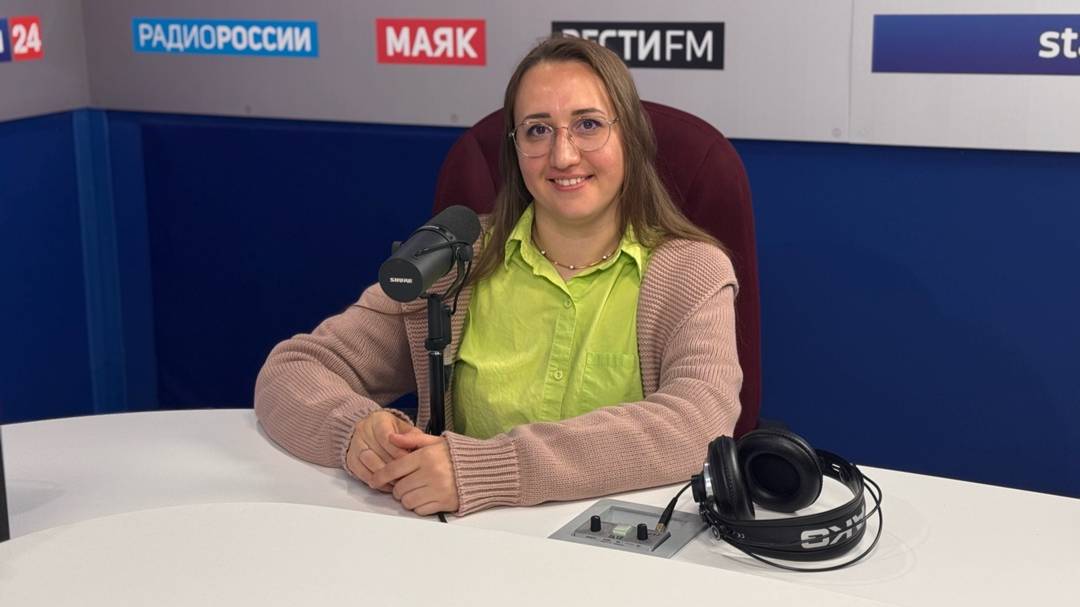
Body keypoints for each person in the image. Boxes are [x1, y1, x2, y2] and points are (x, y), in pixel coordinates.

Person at [254, 35, 742, 517]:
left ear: (630, 137)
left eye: (588, 125)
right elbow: (294, 370)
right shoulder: (454, 263)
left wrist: (490, 468)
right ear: (515, 149)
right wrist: (356, 433)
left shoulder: (689, 271)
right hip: (467, 543)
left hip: (616, 552)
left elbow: (699, 421)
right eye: (537, 130)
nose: (563, 156)